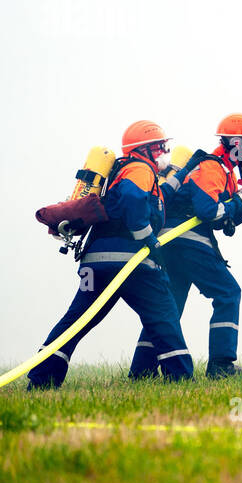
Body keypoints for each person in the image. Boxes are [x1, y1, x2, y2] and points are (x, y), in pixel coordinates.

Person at [27, 120, 195, 389]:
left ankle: (41, 380)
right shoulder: (140, 169)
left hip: (95, 264)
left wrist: (183, 170)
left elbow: (157, 196)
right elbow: (132, 200)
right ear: (146, 150)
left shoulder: (122, 173)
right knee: (164, 316)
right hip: (132, 264)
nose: (165, 152)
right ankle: (182, 379)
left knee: (75, 322)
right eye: (161, 147)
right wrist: (147, 238)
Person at [131, 113, 242, 380]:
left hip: (171, 244)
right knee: (229, 293)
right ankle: (221, 366)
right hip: (189, 242)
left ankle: (142, 370)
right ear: (237, 143)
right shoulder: (212, 167)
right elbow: (210, 212)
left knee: (169, 305)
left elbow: (223, 221)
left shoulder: (220, 169)